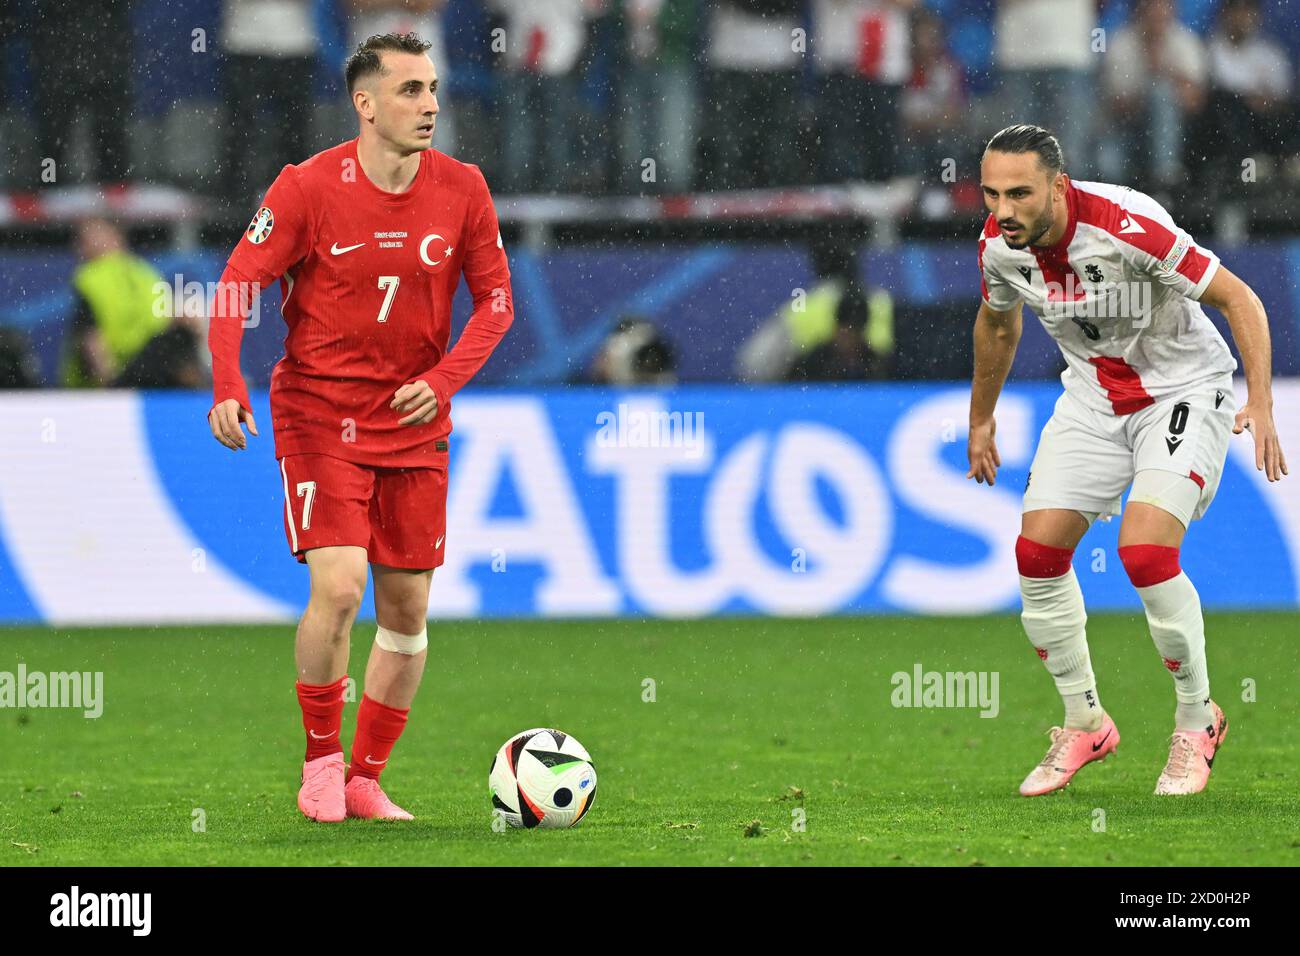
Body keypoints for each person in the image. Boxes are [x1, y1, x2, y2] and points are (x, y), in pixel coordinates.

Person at [206, 32, 514, 823]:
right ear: (365, 103)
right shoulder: (308, 188)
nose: (432, 105)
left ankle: (365, 779)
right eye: (411, 90)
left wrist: (442, 382)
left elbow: (497, 305)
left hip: (413, 424)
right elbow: (240, 280)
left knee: (407, 611)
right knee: (340, 588)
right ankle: (320, 762)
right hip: (318, 413)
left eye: (435, 88)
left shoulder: (465, 189)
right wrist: (227, 383)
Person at [968, 125, 1287, 797]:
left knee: (1143, 555)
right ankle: (1085, 721)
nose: (1004, 211)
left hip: (1183, 390)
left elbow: (1240, 298)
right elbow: (998, 324)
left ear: (1058, 185)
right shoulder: (998, 248)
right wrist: (980, 417)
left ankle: (1198, 719)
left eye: (1021, 193)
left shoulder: (1129, 225)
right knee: (1037, 556)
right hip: (1091, 400)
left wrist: (1259, 401)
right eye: (992, 194)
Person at [61, 218, 171, 388]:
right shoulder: (149, 274)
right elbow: (168, 327)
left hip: (103, 386)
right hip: (153, 380)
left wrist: (109, 385)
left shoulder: (89, 277)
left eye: (83, 241)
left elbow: (91, 339)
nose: (78, 249)